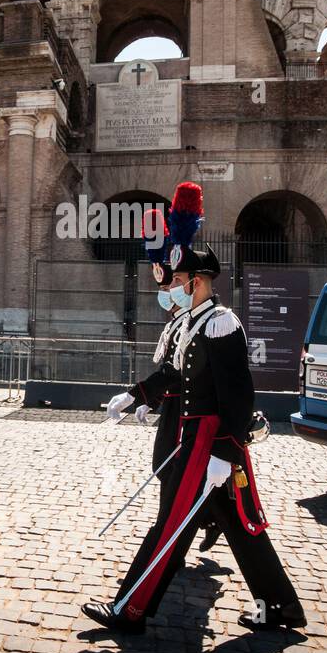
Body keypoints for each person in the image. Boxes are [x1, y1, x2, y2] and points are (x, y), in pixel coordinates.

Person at [85, 181, 305, 635]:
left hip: (208, 440)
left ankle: (130, 609)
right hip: (193, 437)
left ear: (198, 282)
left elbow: (237, 395)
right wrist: (135, 396)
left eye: (180, 281)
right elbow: (175, 376)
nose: (174, 287)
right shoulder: (194, 322)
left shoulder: (222, 323)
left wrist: (226, 451)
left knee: (172, 521)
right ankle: (282, 606)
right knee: (240, 521)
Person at [104, 199, 221, 552]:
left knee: (176, 474)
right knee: (166, 470)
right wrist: (151, 400)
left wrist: (136, 395)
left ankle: (178, 533)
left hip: (192, 412)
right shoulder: (179, 321)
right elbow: (171, 370)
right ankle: (200, 521)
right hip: (173, 406)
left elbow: (178, 371)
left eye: (170, 286)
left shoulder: (210, 321)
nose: (164, 294)